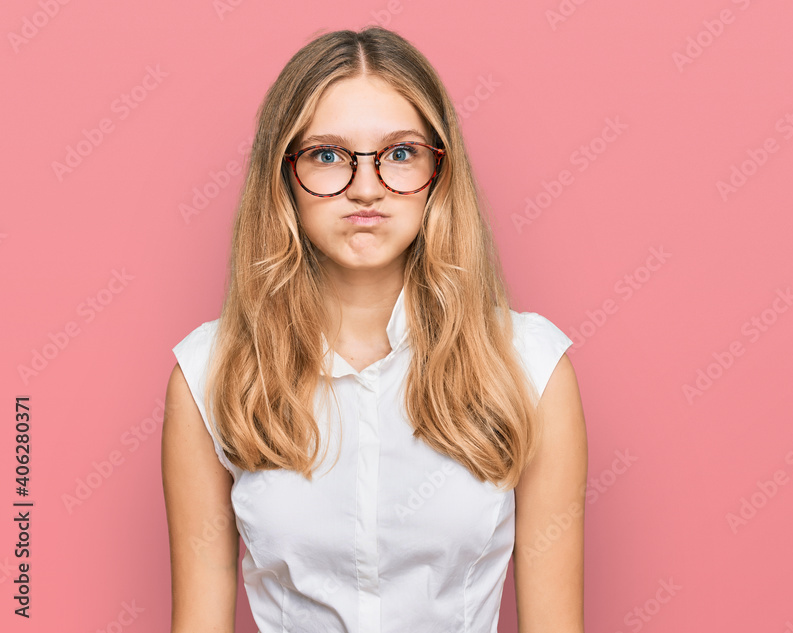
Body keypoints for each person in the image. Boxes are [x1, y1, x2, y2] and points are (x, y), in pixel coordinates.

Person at [161, 25, 587, 633]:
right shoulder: (208, 375)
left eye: (401, 153)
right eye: (328, 155)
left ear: (440, 171)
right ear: (284, 176)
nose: (366, 188)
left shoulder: (529, 367)